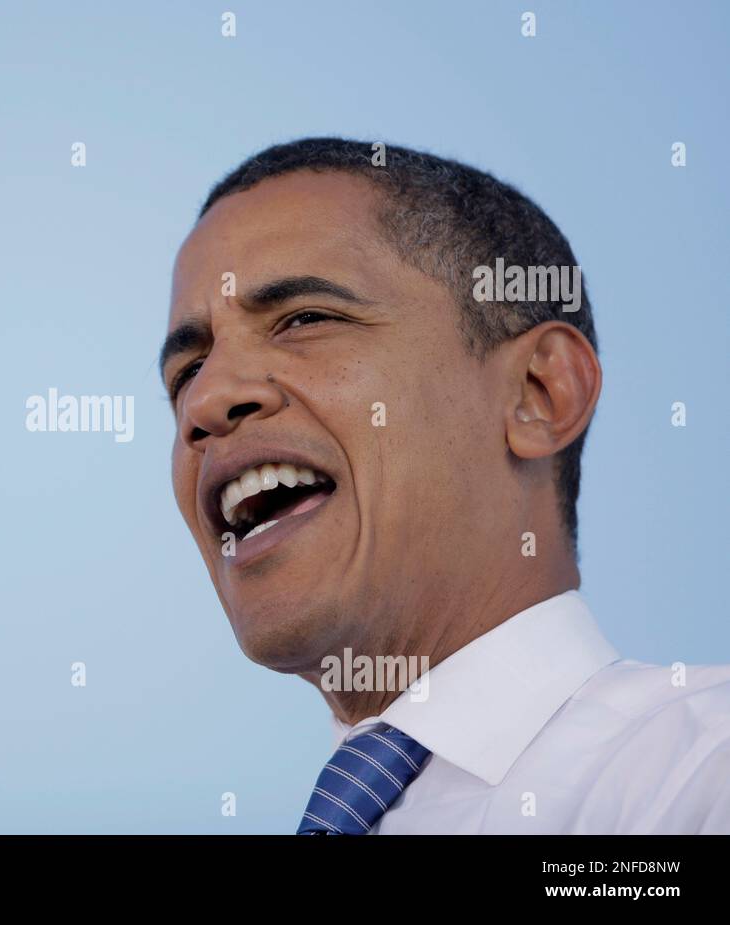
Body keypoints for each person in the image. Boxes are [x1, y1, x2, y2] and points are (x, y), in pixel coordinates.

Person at [160, 138, 730, 834]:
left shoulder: (698, 776)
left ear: (539, 393)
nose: (205, 400)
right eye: (185, 371)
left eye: (305, 318)